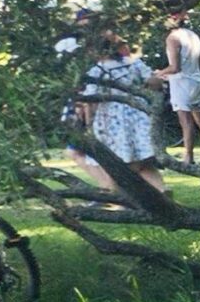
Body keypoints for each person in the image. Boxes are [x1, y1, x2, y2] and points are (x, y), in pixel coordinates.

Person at [71, 29, 169, 196]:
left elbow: (91, 101)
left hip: (112, 121)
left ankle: (119, 198)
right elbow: (154, 82)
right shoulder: (133, 63)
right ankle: (161, 191)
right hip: (138, 116)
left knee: (117, 165)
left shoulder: (97, 71)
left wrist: (88, 124)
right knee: (144, 163)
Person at [153, 10, 200, 167]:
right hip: (196, 81)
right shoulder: (193, 36)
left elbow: (175, 67)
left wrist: (158, 74)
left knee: (186, 121)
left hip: (182, 84)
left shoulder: (173, 38)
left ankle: (188, 157)